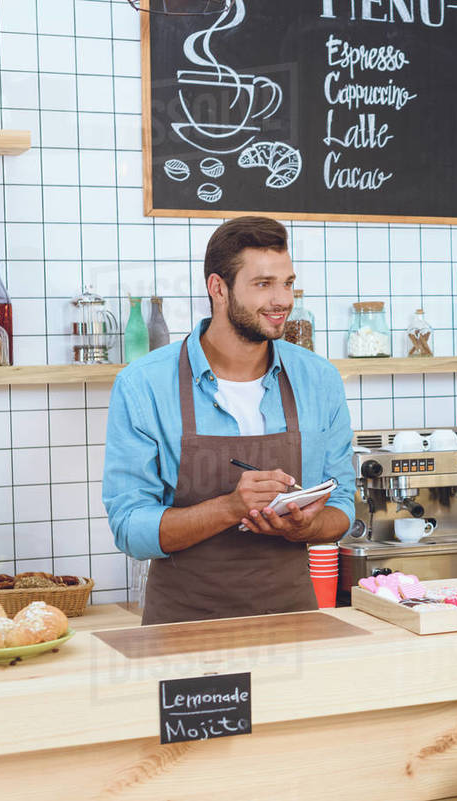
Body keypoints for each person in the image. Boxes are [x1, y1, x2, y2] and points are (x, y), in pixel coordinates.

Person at [103, 216, 355, 625]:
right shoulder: (143, 385)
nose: (282, 300)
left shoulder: (318, 379)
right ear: (218, 288)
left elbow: (343, 505)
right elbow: (130, 527)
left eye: (287, 283)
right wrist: (229, 508)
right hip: (182, 628)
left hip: (293, 622)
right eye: (263, 284)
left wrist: (305, 526)